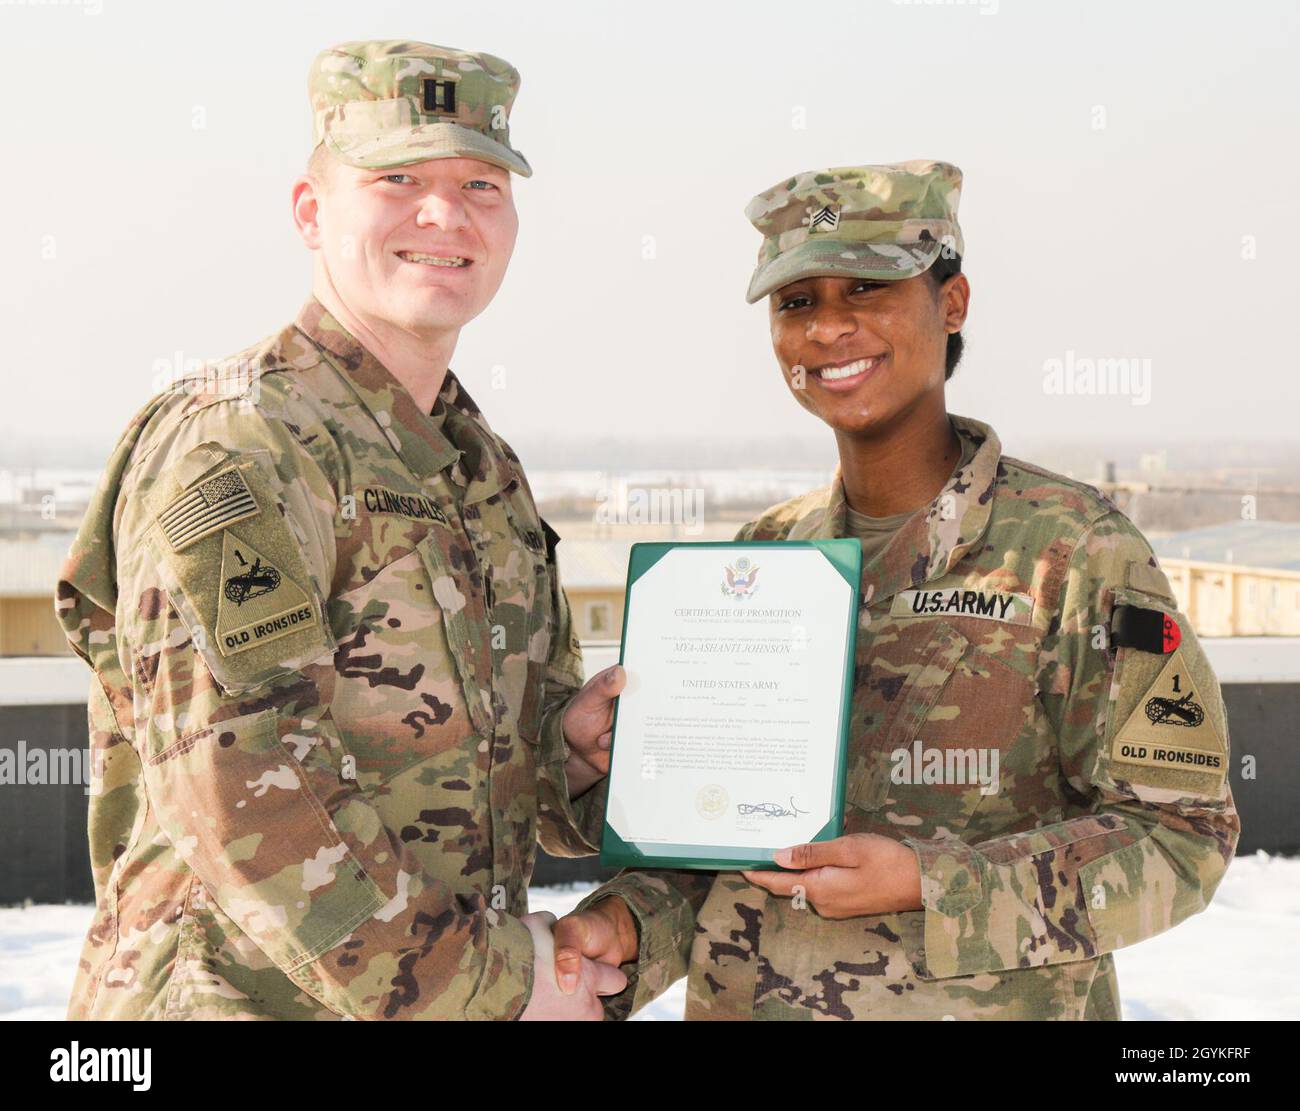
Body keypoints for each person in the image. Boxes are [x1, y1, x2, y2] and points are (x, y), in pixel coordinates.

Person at [553, 160, 1240, 1020]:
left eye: (868, 288)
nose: (828, 327)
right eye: (796, 301)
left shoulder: (1074, 551)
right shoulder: (762, 557)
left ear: (952, 304)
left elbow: (1182, 838)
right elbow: (716, 851)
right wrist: (624, 925)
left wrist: (931, 884)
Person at [54, 38, 623, 1021]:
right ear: (311, 211)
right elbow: (240, 777)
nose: (445, 214)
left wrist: (564, 753)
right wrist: (493, 985)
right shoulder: (240, 442)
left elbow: (465, 764)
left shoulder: (476, 467)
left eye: (481, 185)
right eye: (398, 179)